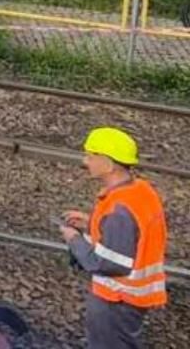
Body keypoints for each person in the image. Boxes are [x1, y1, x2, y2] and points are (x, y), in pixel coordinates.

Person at [62, 126, 168, 346]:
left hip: (117, 299)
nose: (86, 162)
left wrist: (74, 239)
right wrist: (90, 222)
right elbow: (129, 235)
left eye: (91, 156)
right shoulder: (140, 191)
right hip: (130, 301)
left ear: (108, 163)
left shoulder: (118, 210)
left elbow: (108, 263)